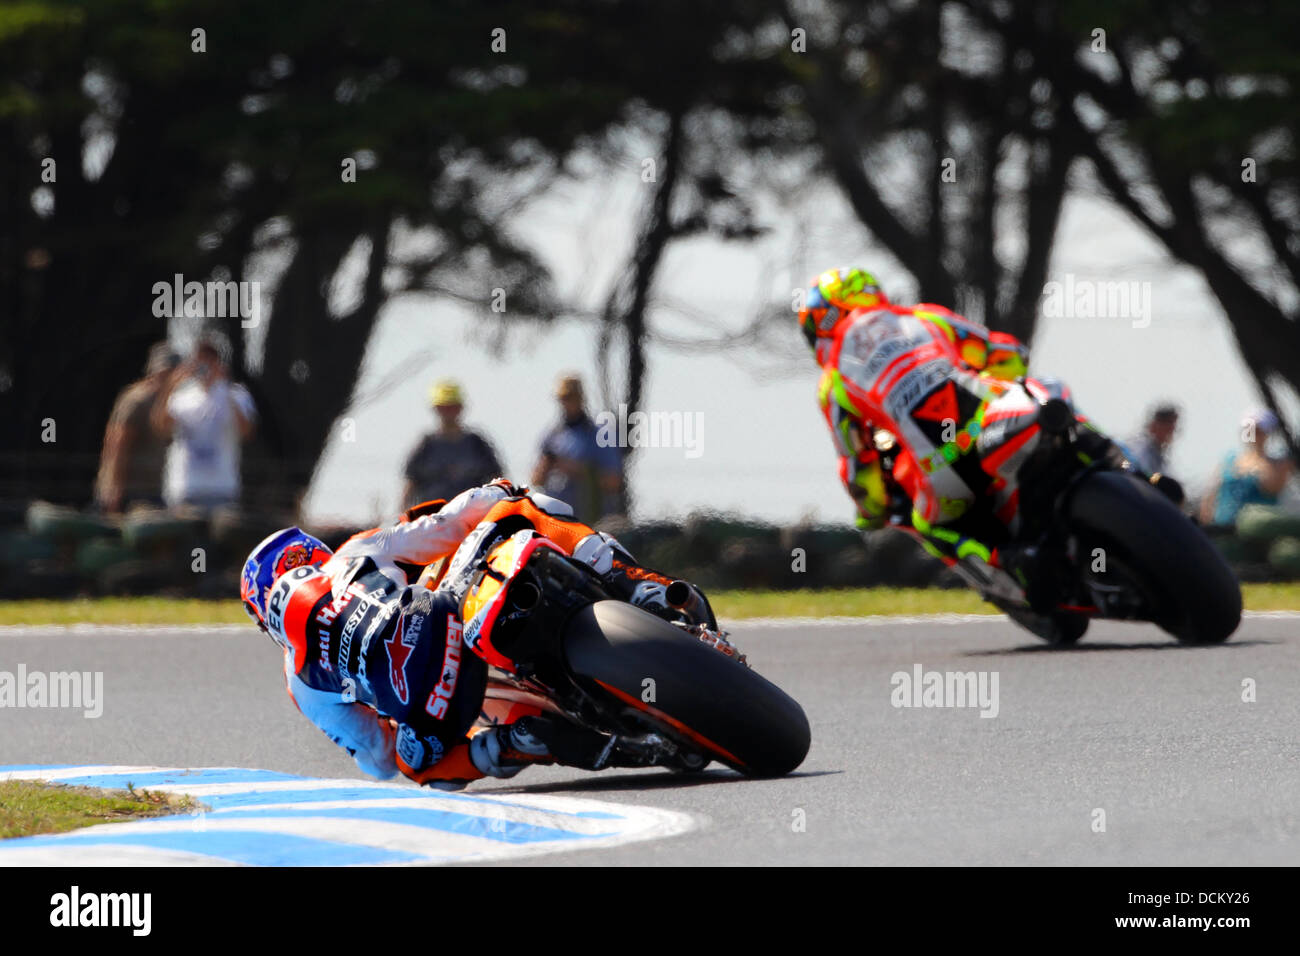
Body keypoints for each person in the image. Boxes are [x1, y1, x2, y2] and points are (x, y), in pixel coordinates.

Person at [239, 479, 721, 789]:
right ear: (313, 554)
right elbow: (450, 524)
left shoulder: (300, 682)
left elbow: (380, 760)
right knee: (520, 503)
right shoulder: (354, 553)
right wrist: (496, 490)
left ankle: (513, 744)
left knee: (416, 766)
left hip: (444, 705)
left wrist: (397, 707)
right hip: (451, 610)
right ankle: (636, 584)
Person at [151, 337, 257, 511]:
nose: (204, 367)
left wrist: (225, 384)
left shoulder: (237, 395)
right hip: (186, 488)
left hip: (222, 489)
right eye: (200, 361)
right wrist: (171, 385)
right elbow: (160, 427)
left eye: (210, 360)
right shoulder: (181, 396)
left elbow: (246, 432)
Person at [94, 342, 179, 513]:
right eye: (163, 372)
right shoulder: (136, 401)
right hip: (131, 490)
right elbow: (117, 444)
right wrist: (113, 488)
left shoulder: (171, 402)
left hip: (155, 488)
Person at [530, 374, 623, 523]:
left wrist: (574, 469)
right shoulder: (551, 435)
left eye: (570, 398)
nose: (566, 403)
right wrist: (545, 467)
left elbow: (614, 481)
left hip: (591, 522)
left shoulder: (600, 434)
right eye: (563, 399)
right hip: (555, 521)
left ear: (581, 398)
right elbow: (535, 480)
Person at [401, 380, 503, 507]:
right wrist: (403, 517)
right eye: (444, 407)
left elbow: (499, 481)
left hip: (473, 516)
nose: (448, 412)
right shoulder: (425, 445)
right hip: (432, 518)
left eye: (452, 407)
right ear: (436, 409)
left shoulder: (477, 443)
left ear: (461, 408)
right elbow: (410, 484)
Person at [1200, 409, 1296, 527]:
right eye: (1249, 429)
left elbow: (1273, 487)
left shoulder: (1278, 465)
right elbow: (1210, 496)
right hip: (1222, 529)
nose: (1253, 433)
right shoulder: (1229, 460)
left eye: (1258, 430)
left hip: (1255, 532)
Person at [1124, 403, 1180, 478]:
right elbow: (1127, 466)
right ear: (1154, 425)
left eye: (1172, 428)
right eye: (1167, 426)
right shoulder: (1139, 447)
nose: (1171, 432)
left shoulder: (1160, 458)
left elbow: (1156, 478)